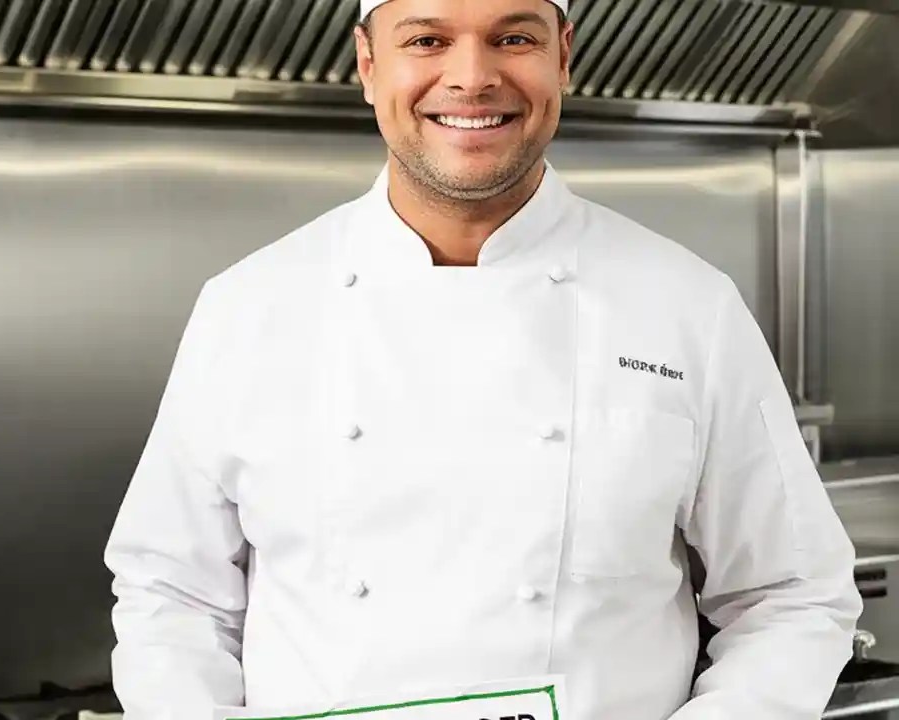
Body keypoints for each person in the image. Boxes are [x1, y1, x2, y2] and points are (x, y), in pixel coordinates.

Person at [104, 0, 863, 717]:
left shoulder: (687, 305)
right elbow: (172, 593)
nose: (472, 77)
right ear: (368, 63)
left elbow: (792, 593)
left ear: (564, 56)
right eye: (428, 39)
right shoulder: (250, 305)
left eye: (514, 37)